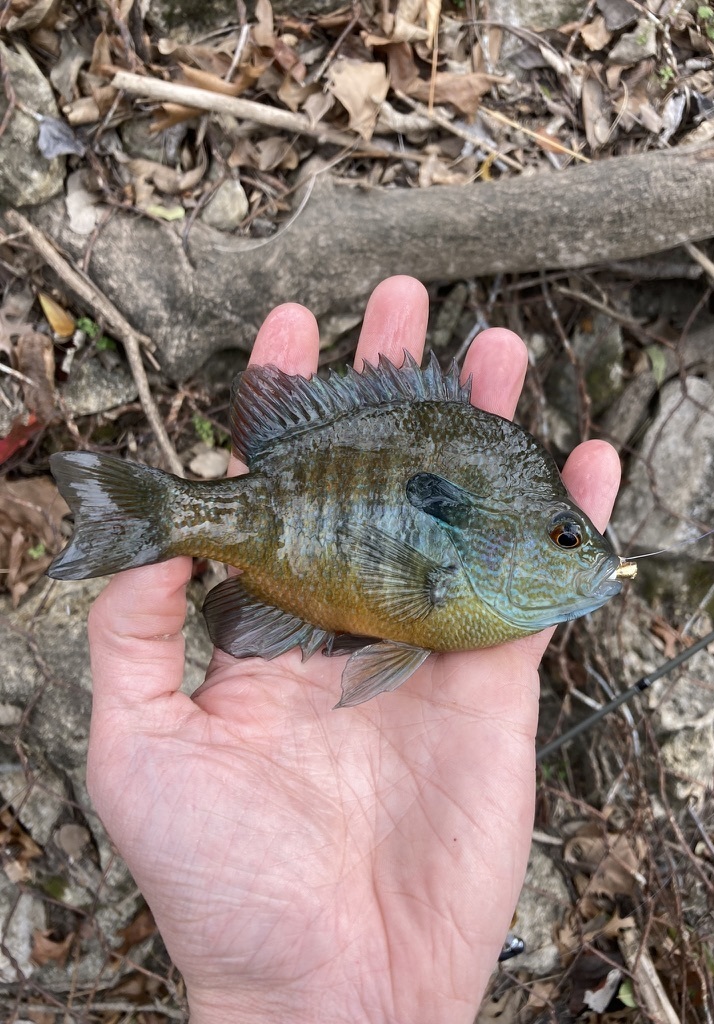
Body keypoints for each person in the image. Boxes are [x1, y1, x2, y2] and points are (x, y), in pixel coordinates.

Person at [86, 276, 621, 1023]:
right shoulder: (457, 579)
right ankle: (149, 511)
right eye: (565, 537)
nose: (583, 555)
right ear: (497, 529)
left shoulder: (474, 585)